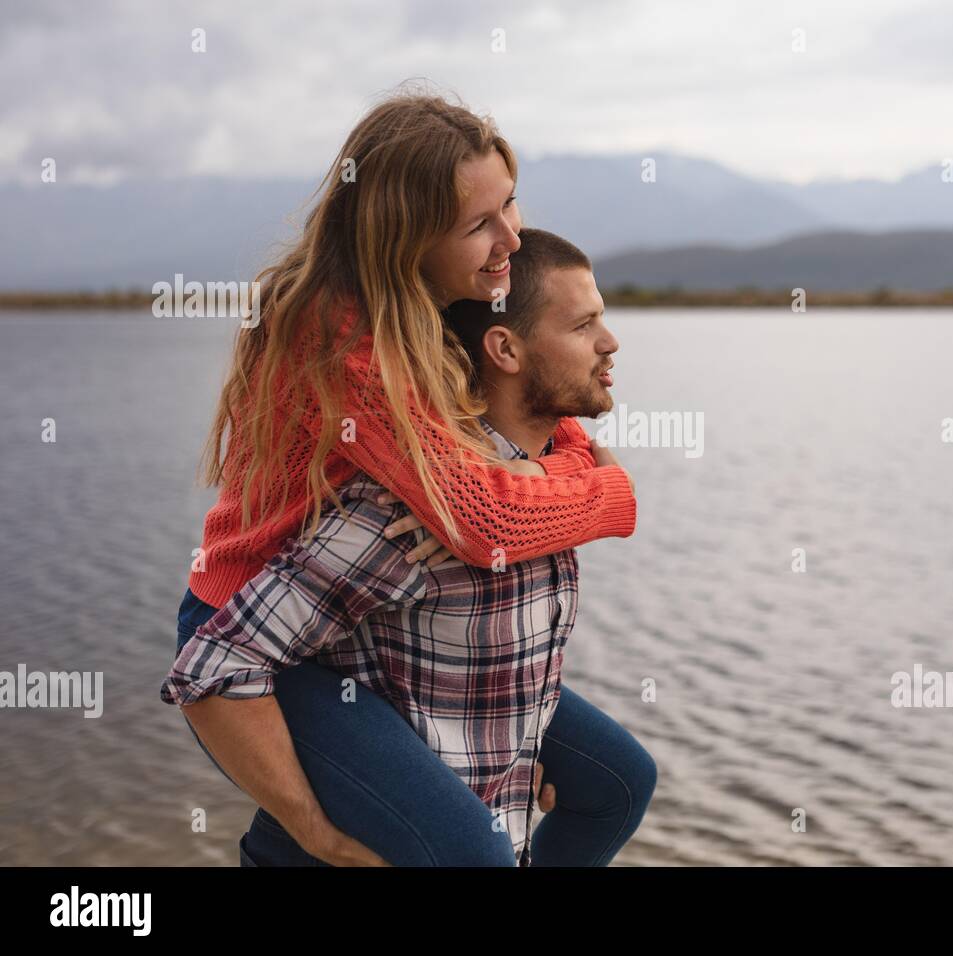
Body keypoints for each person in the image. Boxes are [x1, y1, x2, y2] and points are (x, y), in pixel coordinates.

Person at [163, 90, 640, 865]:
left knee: (615, 780)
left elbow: (542, 436)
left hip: (358, 608)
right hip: (259, 627)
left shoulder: (429, 301)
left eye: (510, 205)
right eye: (478, 225)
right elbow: (481, 516)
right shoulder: (344, 337)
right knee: (448, 849)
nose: (511, 238)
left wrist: (575, 467)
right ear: (406, 235)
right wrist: (610, 498)